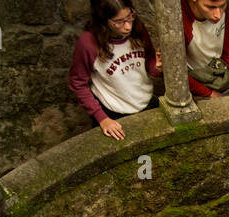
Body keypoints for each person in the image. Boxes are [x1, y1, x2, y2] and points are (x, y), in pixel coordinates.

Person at [69, 0, 163, 141]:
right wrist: (102, 119)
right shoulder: (88, 43)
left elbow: (148, 61)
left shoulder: (137, 29)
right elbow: (78, 83)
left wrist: (157, 67)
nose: (128, 26)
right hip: (113, 114)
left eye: (130, 16)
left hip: (147, 102)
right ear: (103, 20)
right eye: (119, 22)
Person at [183, 0, 229, 99]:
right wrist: (208, 93)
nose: (218, 15)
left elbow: (226, 40)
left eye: (223, 6)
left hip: (221, 77)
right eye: (210, 7)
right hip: (196, 87)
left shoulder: (218, 9)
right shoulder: (181, 22)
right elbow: (176, 72)